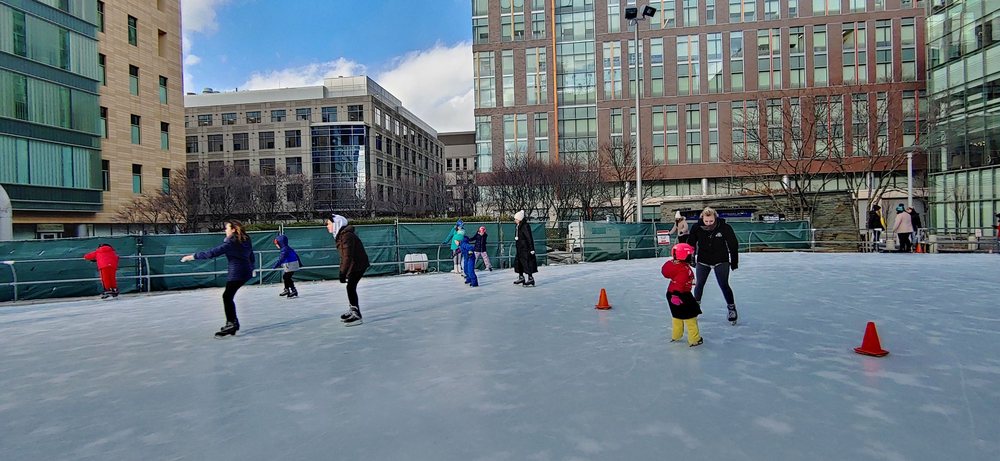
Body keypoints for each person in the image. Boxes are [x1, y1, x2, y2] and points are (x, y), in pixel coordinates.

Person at [180, 220, 255, 338]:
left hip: (237, 273)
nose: (225, 230)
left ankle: (231, 324)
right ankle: (232, 323)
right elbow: (251, 255)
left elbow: (212, 253)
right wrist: (252, 268)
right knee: (228, 296)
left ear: (234, 229)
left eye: (227, 228)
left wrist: (192, 256)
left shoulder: (231, 243)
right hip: (245, 272)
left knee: (227, 296)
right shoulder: (245, 240)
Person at [688, 207, 740, 325]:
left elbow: (733, 244)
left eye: (711, 221)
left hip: (721, 259)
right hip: (703, 259)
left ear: (715, 218)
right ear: (702, 218)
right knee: (699, 284)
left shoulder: (724, 227)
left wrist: (734, 261)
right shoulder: (696, 227)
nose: (709, 223)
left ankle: (732, 309)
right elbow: (691, 243)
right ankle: (695, 308)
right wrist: (690, 258)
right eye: (706, 221)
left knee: (724, 284)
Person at [328, 214, 369, 326]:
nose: (327, 226)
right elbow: (344, 256)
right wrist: (343, 271)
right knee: (350, 287)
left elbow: (347, 256)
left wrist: (343, 272)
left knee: (350, 286)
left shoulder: (347, 236)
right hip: (354, 264)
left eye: (329, 223)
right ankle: (353, 310)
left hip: (358, 265)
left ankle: (356, 314)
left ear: (336, 224)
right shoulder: (342, 235)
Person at [661, 243, 703, 347]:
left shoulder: (673, 264)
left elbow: (669, 273)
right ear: (685, 256)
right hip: (681, 295)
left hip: (670, 294)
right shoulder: (683, 269)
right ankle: (695, 339)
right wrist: (676, 295)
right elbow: (679, 283)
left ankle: (676, 335)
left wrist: (689, 281)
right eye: (690, 255)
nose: (692, 257)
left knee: (677, 316)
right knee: (690, 317)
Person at [513, 210, 537, 287]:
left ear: (520, 219)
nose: (515, 220)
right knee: (518, 262)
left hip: (525, 248)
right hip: (519, 248)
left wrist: (531, 249)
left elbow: (529, 237)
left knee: (526, 263)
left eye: (516, 219)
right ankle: (521, 276)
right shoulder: (518, 226)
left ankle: (530, 278)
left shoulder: (525, 226)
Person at [272, 234, 301, 298]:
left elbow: (282, 258)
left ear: (280, 243)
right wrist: (300, 263)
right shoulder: (287, 248)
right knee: (286, 277)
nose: (276, 246)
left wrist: (276, 265)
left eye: (277, 244)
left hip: (291, 264)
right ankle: (288, 290)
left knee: (286, 277)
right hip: (291, 264)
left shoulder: (285, 249)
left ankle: (292, 290)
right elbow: (296, 255)